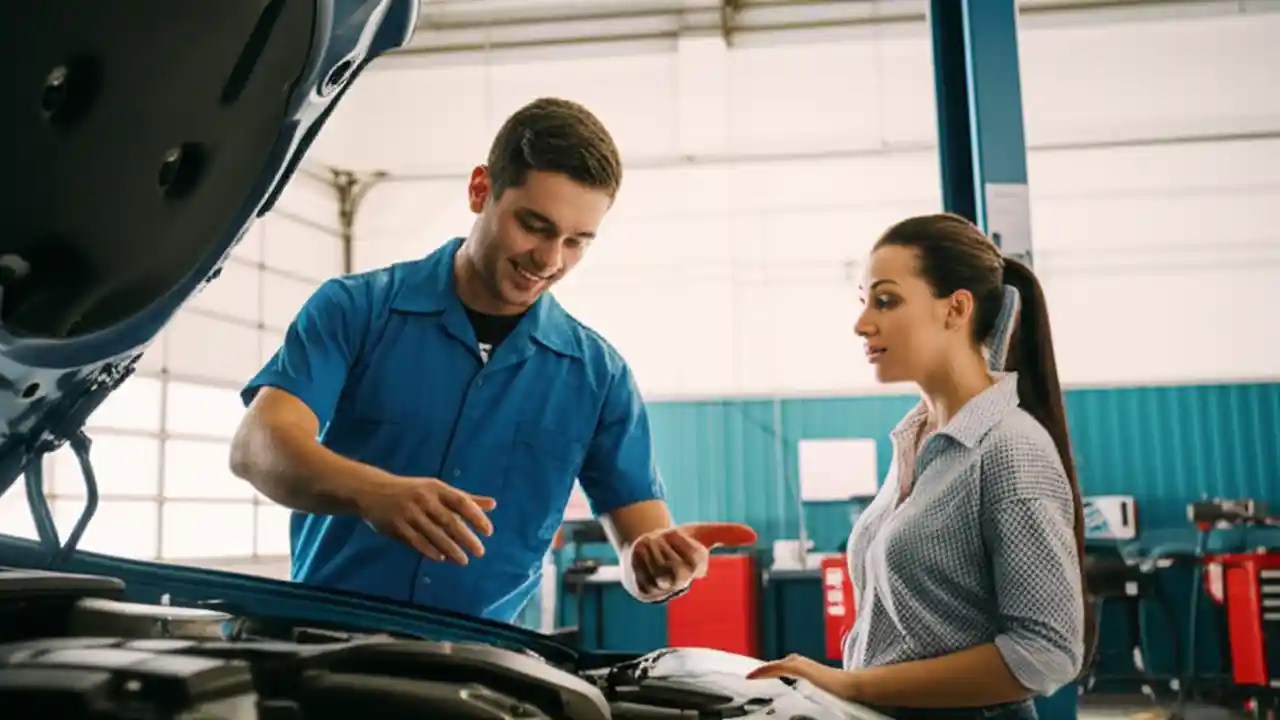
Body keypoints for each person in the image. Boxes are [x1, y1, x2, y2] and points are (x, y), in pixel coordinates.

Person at [229, 97, 754, 624]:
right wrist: (373, 493)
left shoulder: (600, 378)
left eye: (576, 242)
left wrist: (656, 571)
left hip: (482, 673)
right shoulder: (355, 311)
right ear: (481, 190)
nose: (549, 260)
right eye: (534, 226)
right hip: (323, 650)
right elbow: (257, 447)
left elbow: (643, 548)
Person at [747, 214, 1092, 719]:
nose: (863, 323)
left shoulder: (1011, 450)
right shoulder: (918, 440)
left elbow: (1046, 652)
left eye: (885, 301)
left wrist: (852, 685)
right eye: (864, 302)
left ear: (956, 309)